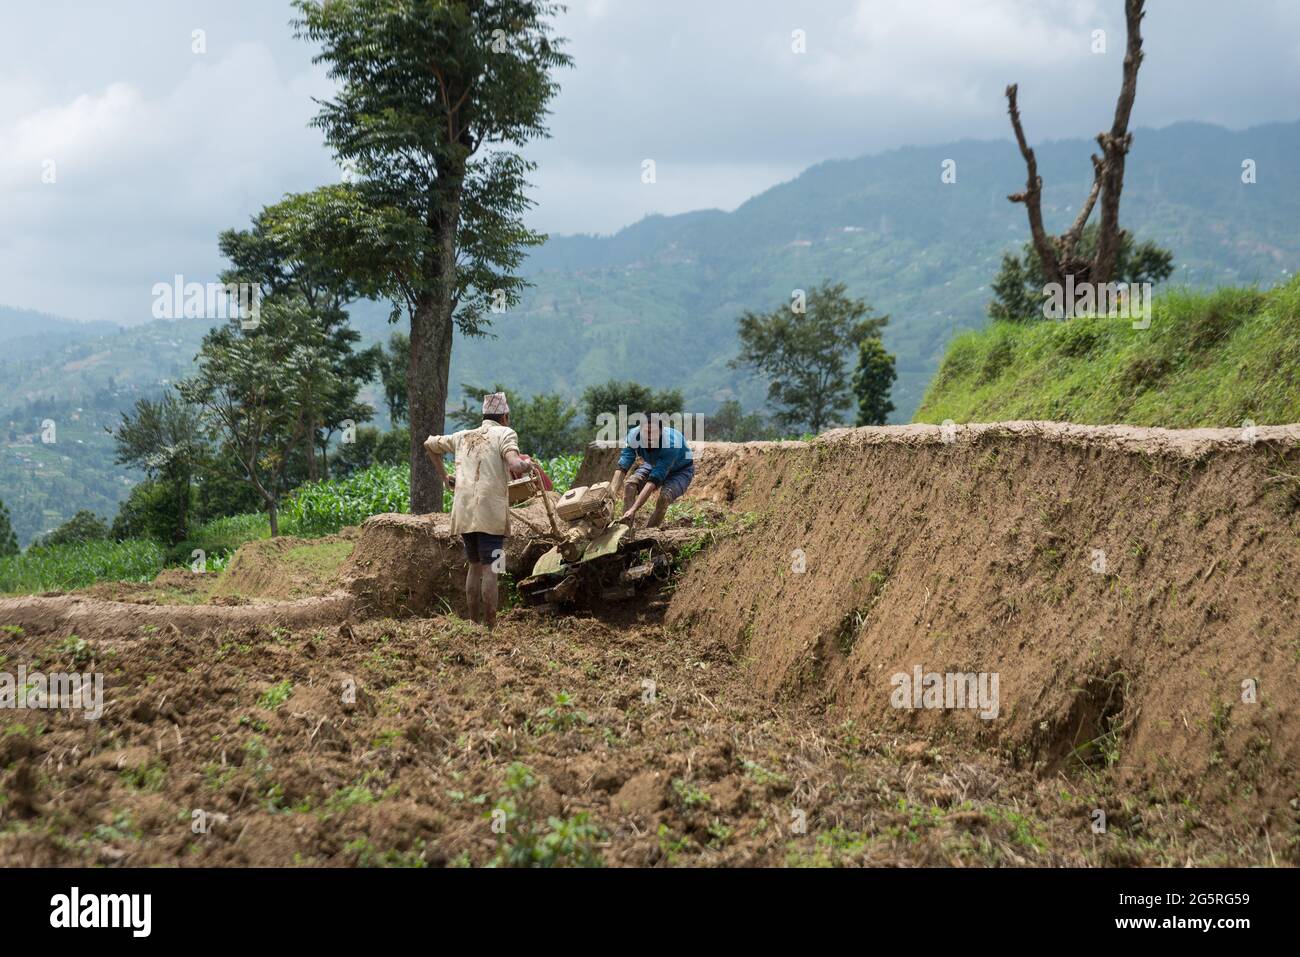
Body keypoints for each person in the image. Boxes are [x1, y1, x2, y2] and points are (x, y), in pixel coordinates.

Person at [423, 392, 530, 630]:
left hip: (464, 510)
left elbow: (429, 445)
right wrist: (527, 464)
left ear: (484, 415)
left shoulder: (462, 436)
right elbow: (515, 464)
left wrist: (444, 478)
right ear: (504, 416)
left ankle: (473, 624)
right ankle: (491, 626)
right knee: (491, 568)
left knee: (474, 566)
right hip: (490, 510)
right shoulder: (505, 434)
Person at [611, 412, 694, 528]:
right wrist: (611, 494)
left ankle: (648, 533)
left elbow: (654, 480)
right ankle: (626, 531)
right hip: (653, 463)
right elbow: (624, 463)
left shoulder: (671, 444)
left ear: (661, 432)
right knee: (630, 486)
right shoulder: (633, 436)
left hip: (680, 470)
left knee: (664, 499)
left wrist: (634, 509)